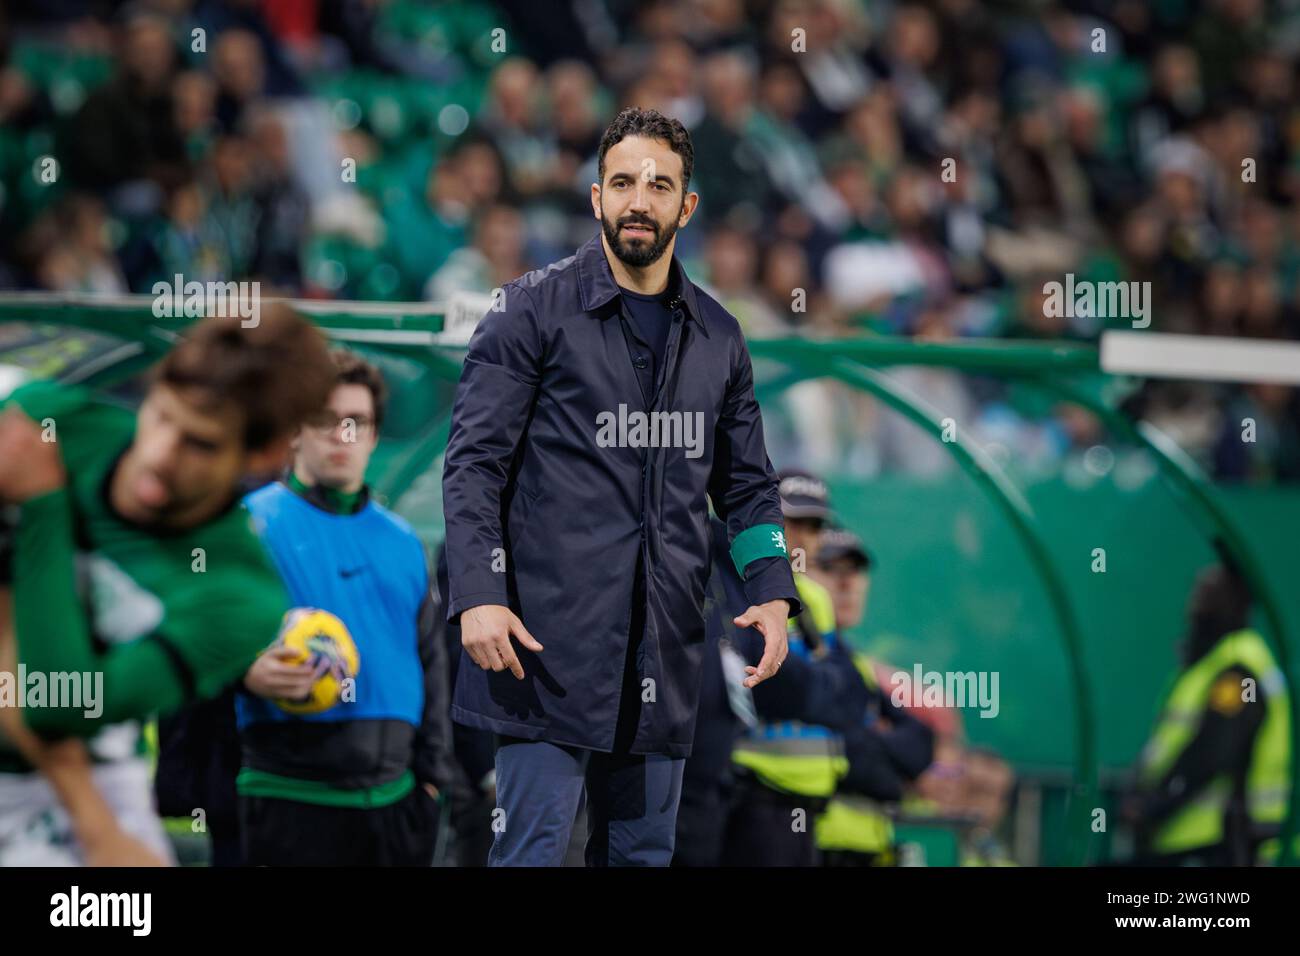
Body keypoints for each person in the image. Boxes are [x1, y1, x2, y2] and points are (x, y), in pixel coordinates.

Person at [442, 106, 800, 867]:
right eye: (624, 182)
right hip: (542, 652)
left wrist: (771, 585)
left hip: (662, 660)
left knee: (641, 862)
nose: (641, 199)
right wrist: (479, 594)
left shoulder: (720, 336)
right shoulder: (527, 309)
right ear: (596, 196)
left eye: (660, 185)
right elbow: (474, 465)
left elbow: (749, 490)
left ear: (686, 206)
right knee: (531, 856)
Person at [0, 306, 334, 865]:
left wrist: (41, 508)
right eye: (159, 416)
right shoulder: (41, 418)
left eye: (200, 445)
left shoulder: (239, 598)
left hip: (78, 794)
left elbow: (52, 704)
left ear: (264, 455)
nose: (157, 456)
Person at [236, 350, 464, 865]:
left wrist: (432, 783)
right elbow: (201, 640)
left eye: (356, 422)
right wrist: (246, 671)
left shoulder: (404, 541)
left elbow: (431, 665)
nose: (342, 437)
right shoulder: (251, 526)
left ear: (375, 436)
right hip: (289, 798)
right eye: (324, 420)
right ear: (295, 429)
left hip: (396, 807)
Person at [722, 468, 852, 866]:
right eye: (792, 522)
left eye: (815, 526)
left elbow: (841, 692)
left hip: (812, 796)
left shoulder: (817, 598)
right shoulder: (739, 585)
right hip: (754, 787)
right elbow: (766, 687)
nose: (805, 538)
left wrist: (818, 687)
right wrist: (819, 687)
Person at [1127, 563, 1291, 865]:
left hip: (1222, 841)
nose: (1194, 605)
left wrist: (1154, 807)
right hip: (1191, 839)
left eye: (1207, 594)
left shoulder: (1238, 670)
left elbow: (1215, 749)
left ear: (1235, 600)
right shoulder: (1211, 661)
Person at [808, 525, 933, 866]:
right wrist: (890, 776)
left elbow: (921, 742)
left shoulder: (856, 661)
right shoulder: (796, 655)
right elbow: (854, 759)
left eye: (856, 570)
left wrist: (871, 749)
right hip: (815, 847)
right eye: (830, 568)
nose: (847, 584)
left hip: (866, 850)